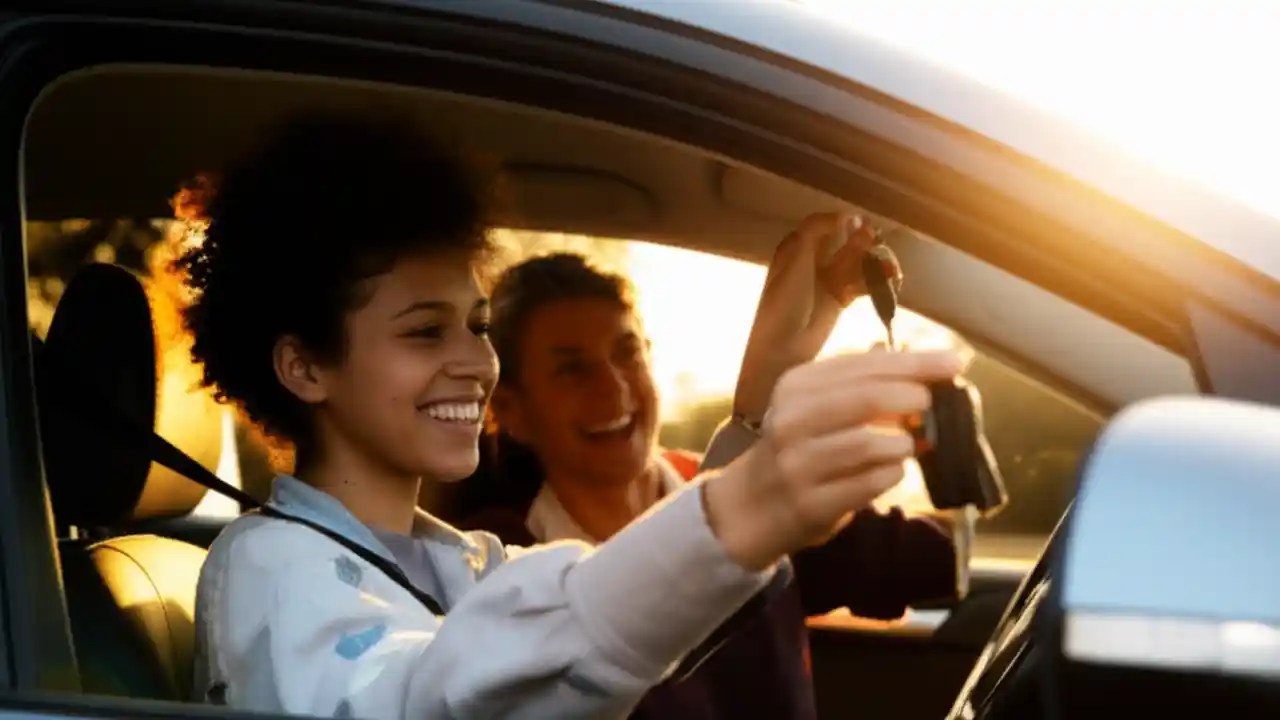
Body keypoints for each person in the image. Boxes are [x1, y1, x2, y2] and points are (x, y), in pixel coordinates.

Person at [180, 112, 964, 720]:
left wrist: (760, 401)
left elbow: (636, 604)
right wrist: (752, 498)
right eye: (424, 332)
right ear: (304, 367)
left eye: (478, 326)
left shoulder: (468, 560)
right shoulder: (267, 568)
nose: (476, 362)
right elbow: (437, 699)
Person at [458, 228, 970, 719]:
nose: (613, 388)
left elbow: (925, 561)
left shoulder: (730, 481)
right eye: (572, 369)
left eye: (626, 352)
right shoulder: (496, 561)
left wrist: (939, 430)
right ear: (512, 410)